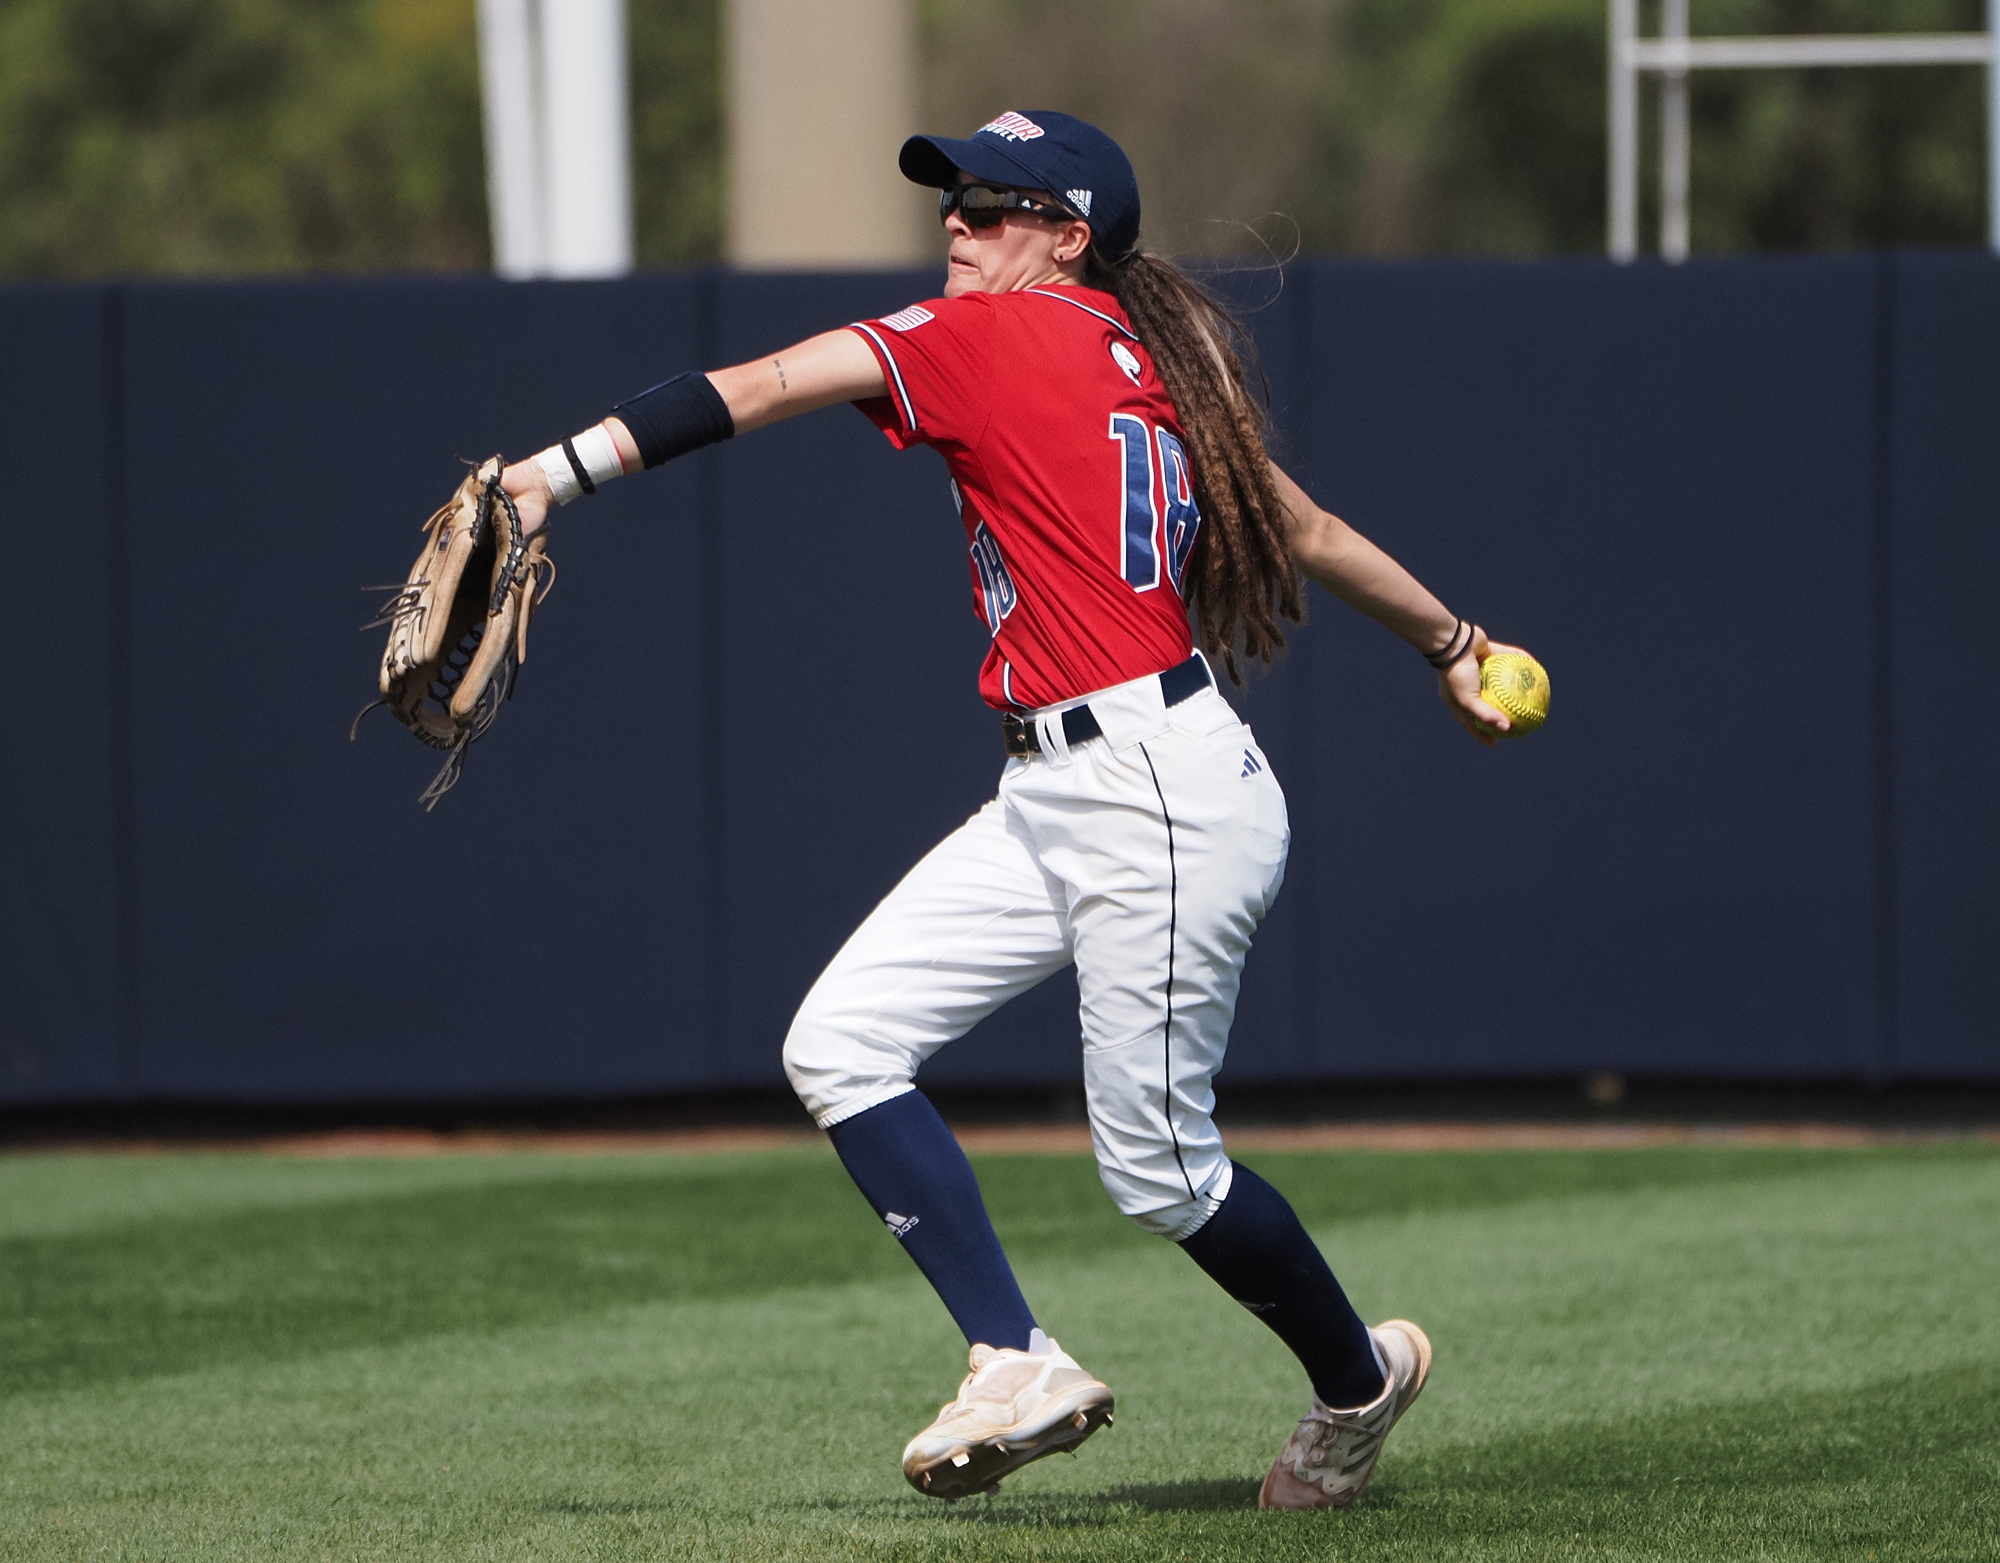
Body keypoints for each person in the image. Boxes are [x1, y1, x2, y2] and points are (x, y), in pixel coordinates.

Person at [497, 111, 1517, 1510]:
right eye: (951, 203)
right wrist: (1455, 644)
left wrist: (552, 473)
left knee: (1159, 1176)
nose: (956, 226)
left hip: (1151, 793)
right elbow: (1319, 535)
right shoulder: (1163, 368)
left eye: (989, 204)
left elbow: (754, 388)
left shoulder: (979, 338)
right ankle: (1013, 1355)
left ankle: (1356, 1384)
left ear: (1067, 236)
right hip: (1071, 784)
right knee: (844, 1043)